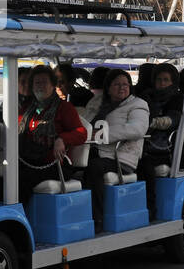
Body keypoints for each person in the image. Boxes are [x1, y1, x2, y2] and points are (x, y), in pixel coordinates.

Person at [80, 69, 150, 229]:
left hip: (120, 157)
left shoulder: (138, 105)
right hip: (95, 150)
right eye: (117, 84)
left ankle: (97, 218)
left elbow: (137, 129)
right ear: (108, 87)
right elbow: (86, 124)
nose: (121, 88)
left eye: (125, 84)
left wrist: (101, 135)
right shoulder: (98, 103)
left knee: (94, 167)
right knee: (71, 166)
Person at [18, 65, 87, 198]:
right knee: (1, 179)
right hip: (28, 160)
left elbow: (81, 133)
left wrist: (61, 139)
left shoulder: (64, 108)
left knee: (21, 179)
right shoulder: (26, 109)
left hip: (55, 165)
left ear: (52, 85)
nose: (40, 86)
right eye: (37, 82)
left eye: (45, 82)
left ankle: (19, 216)